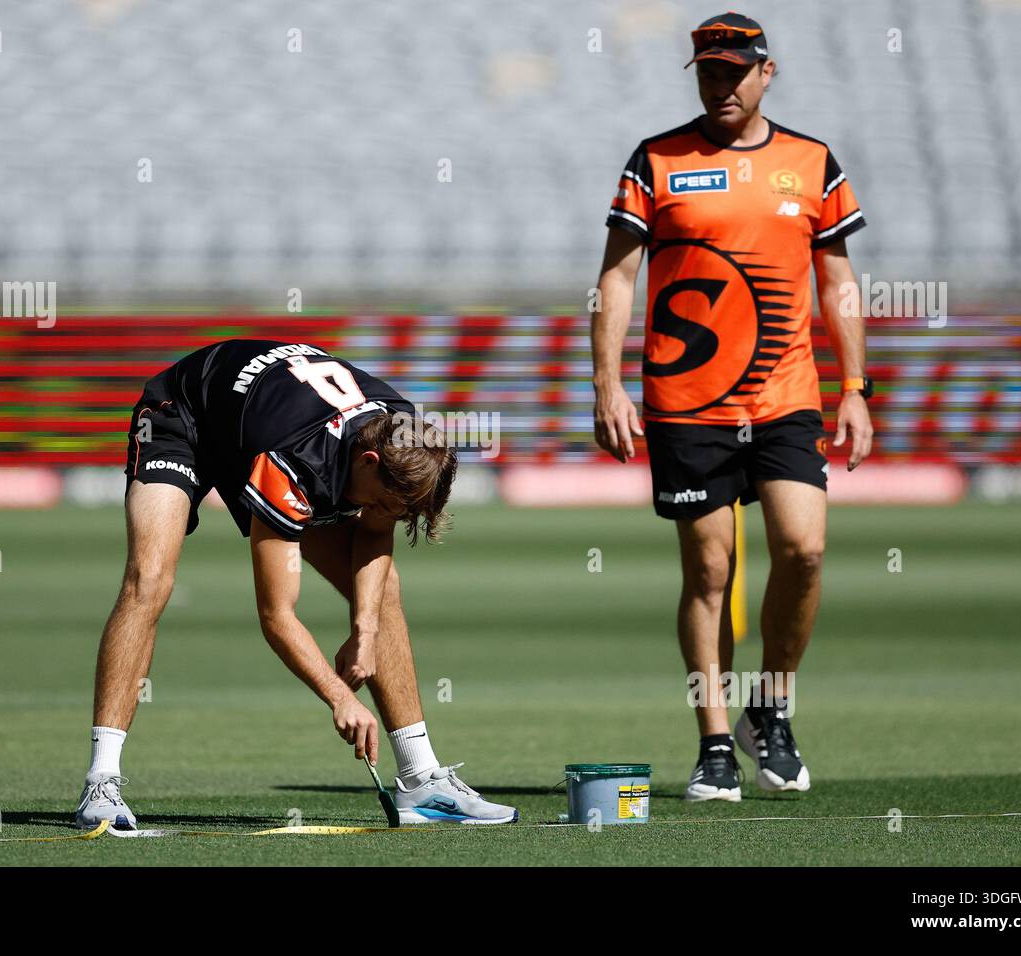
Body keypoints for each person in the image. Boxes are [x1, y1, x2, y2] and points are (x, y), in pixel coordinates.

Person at [591, 13, 874, 800]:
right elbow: (616, 276)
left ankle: (770, 711)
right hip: (688, 400)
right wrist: (606, 382)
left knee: (804, 550)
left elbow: (838, 280)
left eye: (735, 72)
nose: (722, 85)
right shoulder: (656, 160)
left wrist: (855, 388)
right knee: (710, 569)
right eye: (709, 73)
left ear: (767, 72)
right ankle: (715, 743)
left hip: (787, 394)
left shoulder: (812, 161)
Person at [76, 339, 518, 828]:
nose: (392, 517)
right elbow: (276, 616)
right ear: (368, 463)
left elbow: (373, 532)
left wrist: (365, 633)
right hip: (183, 417)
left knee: (381, 590)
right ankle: (102, 782)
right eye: (392, 505)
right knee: (149, 580)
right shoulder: (294, 465)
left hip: (269, 425)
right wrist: (340, 697)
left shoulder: (402, 432)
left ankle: (422, 779)